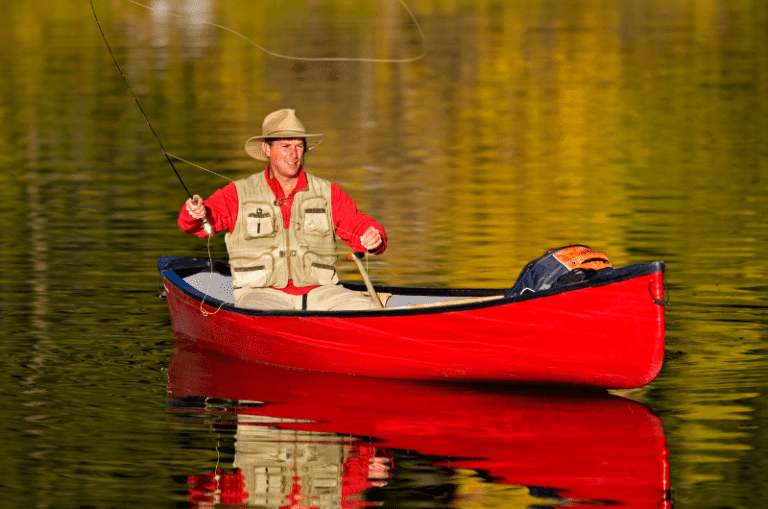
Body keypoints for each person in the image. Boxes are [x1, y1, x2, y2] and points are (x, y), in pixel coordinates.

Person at [179, 108, 387, 311]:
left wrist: (373, 236)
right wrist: (195, 212)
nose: (294, 154)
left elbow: (359, 226)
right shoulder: (237, 193)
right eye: (286, 146)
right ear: (267, 149)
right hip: (261, 294)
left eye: (298, 146)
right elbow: (196, 224)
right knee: (261, 317)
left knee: (368, 311)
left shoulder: (328, 192)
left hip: (323, 293)